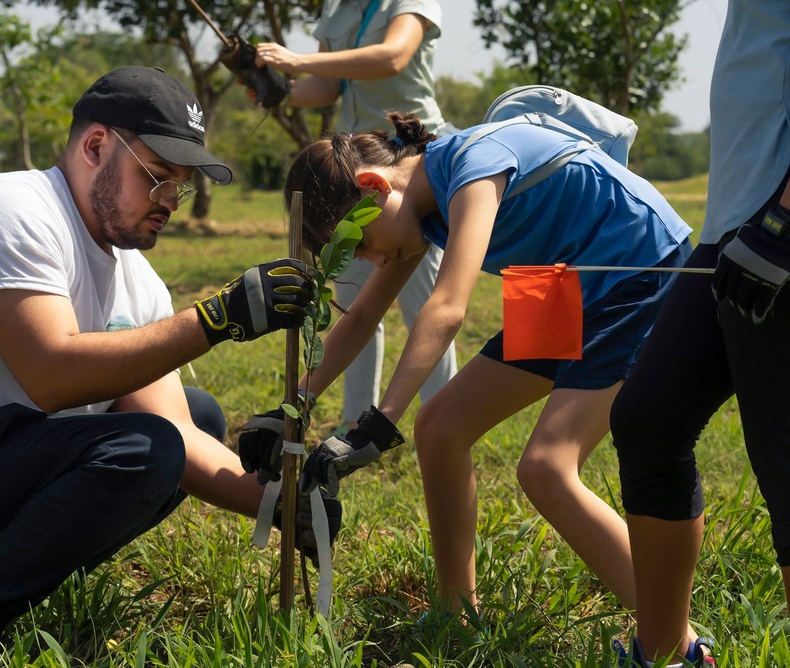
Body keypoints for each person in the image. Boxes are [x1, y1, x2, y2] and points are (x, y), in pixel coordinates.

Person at [0, 66, 339, 642]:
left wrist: (283, 503)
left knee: (196, 417)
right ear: (96, 145)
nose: (170, 200)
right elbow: (51, 375)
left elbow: (172, 429)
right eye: (158, 176)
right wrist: (215, 320)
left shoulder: (138, 280)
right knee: (147, 447)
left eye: (181, 184)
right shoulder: (9, 209)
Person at [238, 110, 700, 644]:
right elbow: (362, 315)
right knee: (440, 427)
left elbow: (448, 307)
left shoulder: (474, 167)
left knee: (547, 468)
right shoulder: (420, 208)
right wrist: (293, 405)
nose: (371, 257)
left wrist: (378, 424)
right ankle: (457, 615)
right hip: (552, 284)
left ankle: (677, 643)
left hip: (637, 269)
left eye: (360, 245)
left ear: (373, 187)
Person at [610, 0, 789, 665]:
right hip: (728, 230)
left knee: (784, 462)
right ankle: (666, 654)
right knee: (648, 419)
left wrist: (781, 225)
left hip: (775, 230)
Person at [249, 0, 457, 432]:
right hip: (350, 171)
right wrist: (275, 88)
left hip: (407, 171)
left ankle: (444, 422)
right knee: (355, 305)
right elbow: (328, 86)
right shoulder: (337, 9)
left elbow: (392, 56)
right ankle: (352, 423)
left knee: (426, 305)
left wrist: (297, 59)